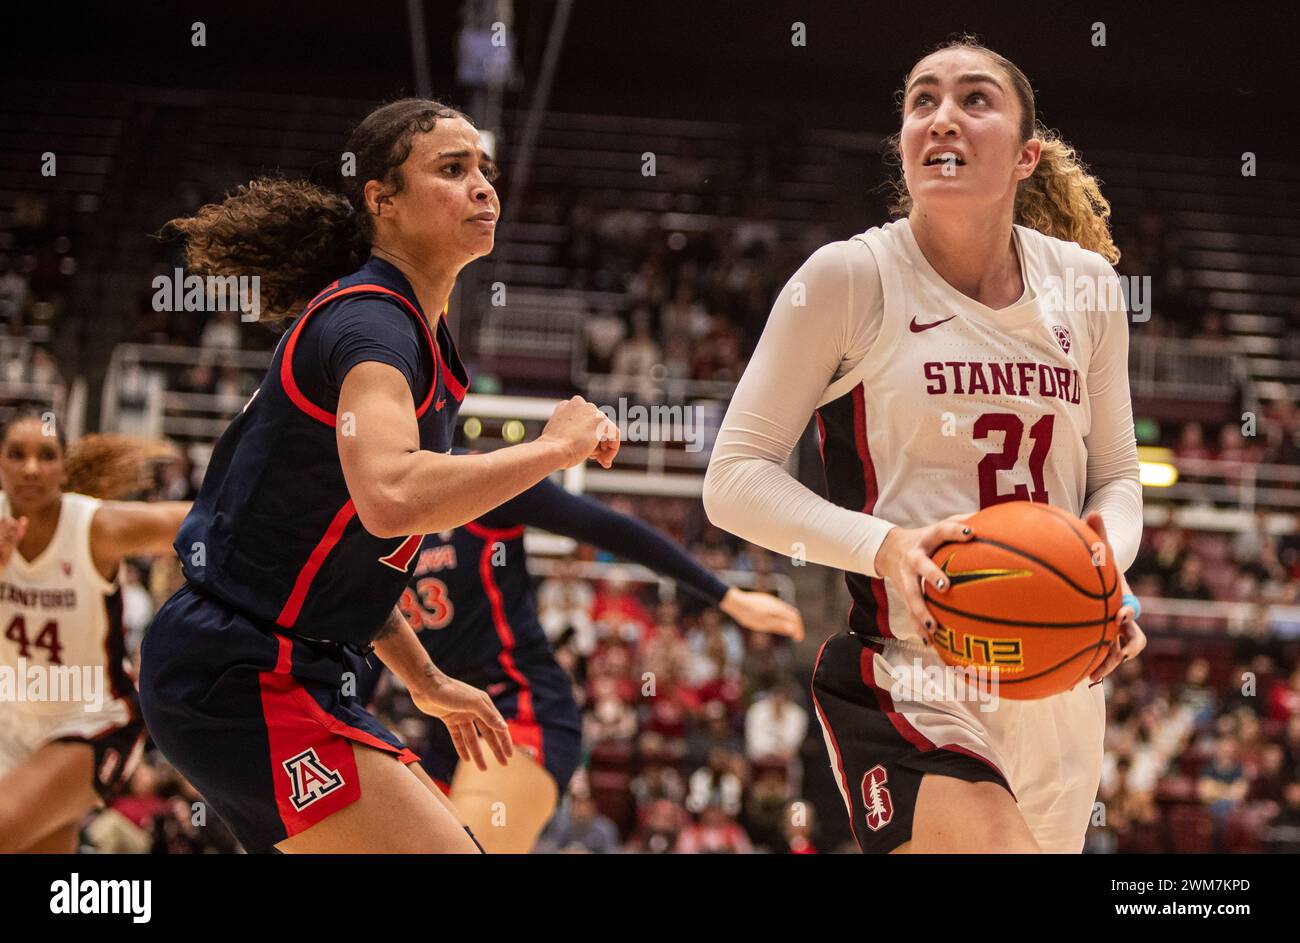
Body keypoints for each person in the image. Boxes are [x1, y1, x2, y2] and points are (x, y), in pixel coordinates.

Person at [138, 98, 619, 853]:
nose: (483, 188)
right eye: (452, 170)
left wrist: (424, 679)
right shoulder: (372, 325)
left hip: (284, 663)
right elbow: (391, 497)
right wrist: (556, 447)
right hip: (240, 671)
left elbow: (340, 554)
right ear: (381, 199)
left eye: (484, 171)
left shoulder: (411, 335)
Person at [703, 36, 1146, 853]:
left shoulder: (1086, 286)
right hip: (910, 668)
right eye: (922, 101)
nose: (943, 116)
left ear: (1025, 156)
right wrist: (888, 547)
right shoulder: (848, 278)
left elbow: (1117, 475)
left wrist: (1104, 573)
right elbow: (732, 477)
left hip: (1058, 681)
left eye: (975, 99)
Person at [361, 457, 802, 852]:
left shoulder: (476, 477)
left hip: (520, 710)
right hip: (441, 731)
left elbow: (607, 528)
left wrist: (727, 598)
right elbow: (360, 638)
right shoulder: (360, 518)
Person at [0, 409, 190, 852]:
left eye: (46, 455)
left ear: (64, 466)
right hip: (13, 726)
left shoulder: (94, 527)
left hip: (93, 723)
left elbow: (202, 522)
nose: (31, 468)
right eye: (17, 454)